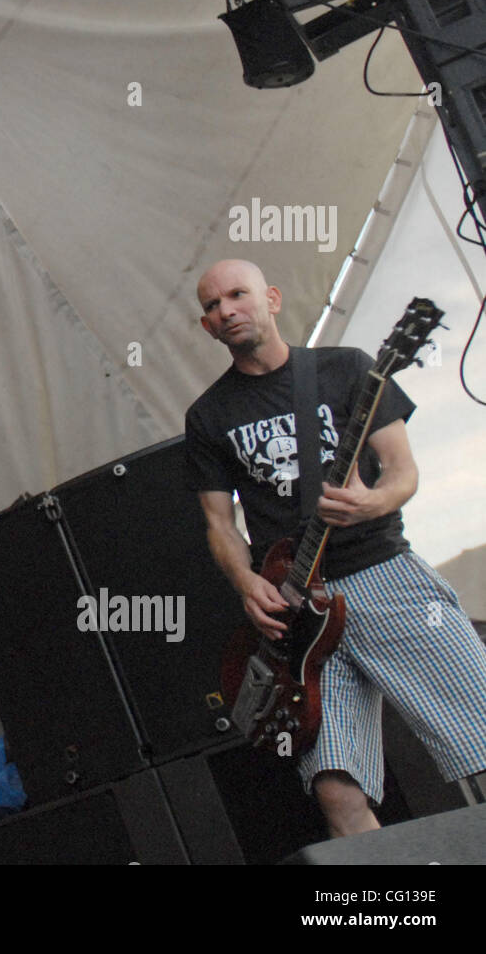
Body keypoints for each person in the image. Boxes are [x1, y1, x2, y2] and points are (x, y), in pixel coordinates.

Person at [184, 258, 486, 838]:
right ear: (207, 327)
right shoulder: (209, 416)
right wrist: (248, 583)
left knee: (479, 734)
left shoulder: (347, 368)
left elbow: (402, 472)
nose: (225, 310)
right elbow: (220, 525)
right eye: (212, 306)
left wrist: (372, 503)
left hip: (382, 577)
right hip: (298, 613)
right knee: (335, 788)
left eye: (237, 295)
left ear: (271, 299)